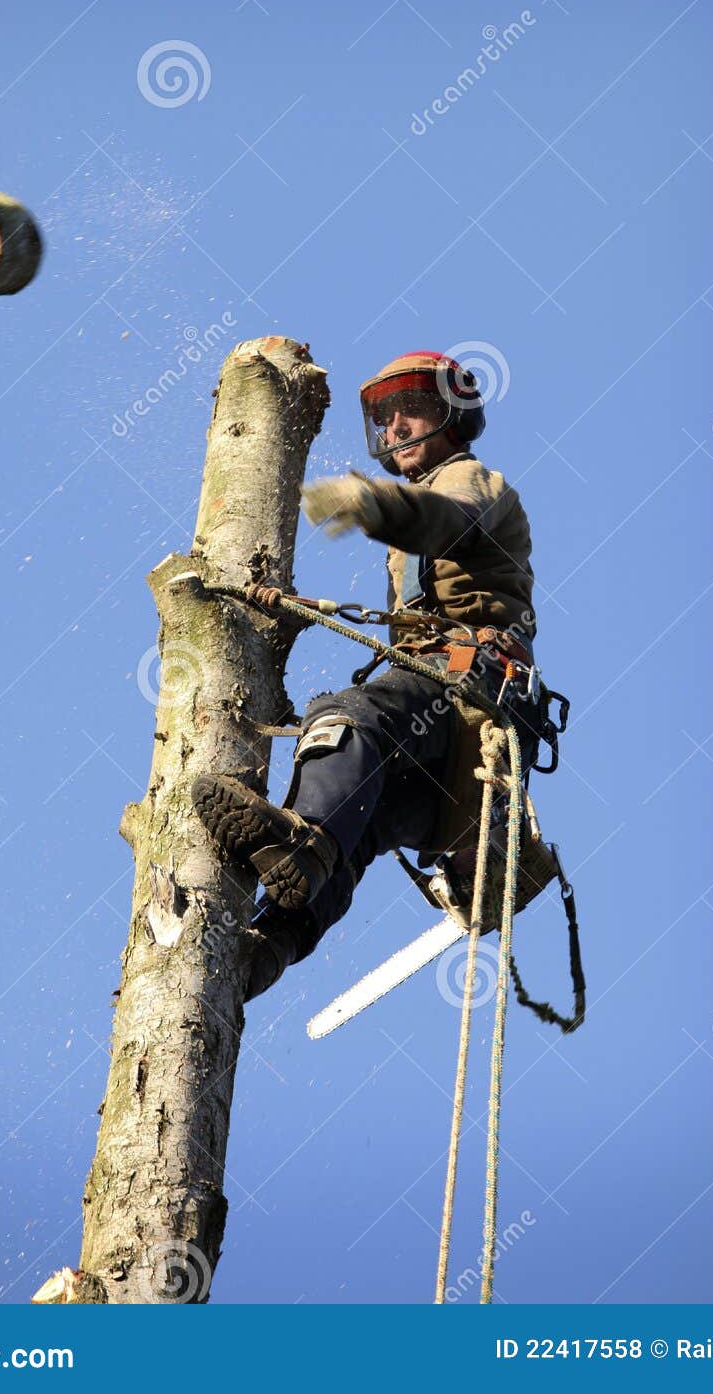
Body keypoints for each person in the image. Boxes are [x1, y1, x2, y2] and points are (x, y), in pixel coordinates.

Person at [192, 350, 544, 999]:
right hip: (453, 776)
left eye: (413, 409)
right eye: (386, 418)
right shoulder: (409, 528)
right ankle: (270, 946)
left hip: (469, 692)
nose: (397, 427)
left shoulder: (472, 483)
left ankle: (300, 845)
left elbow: (447, 521)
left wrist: (374, 503)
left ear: (451, 416)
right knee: (362, 822)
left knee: (347, 720)